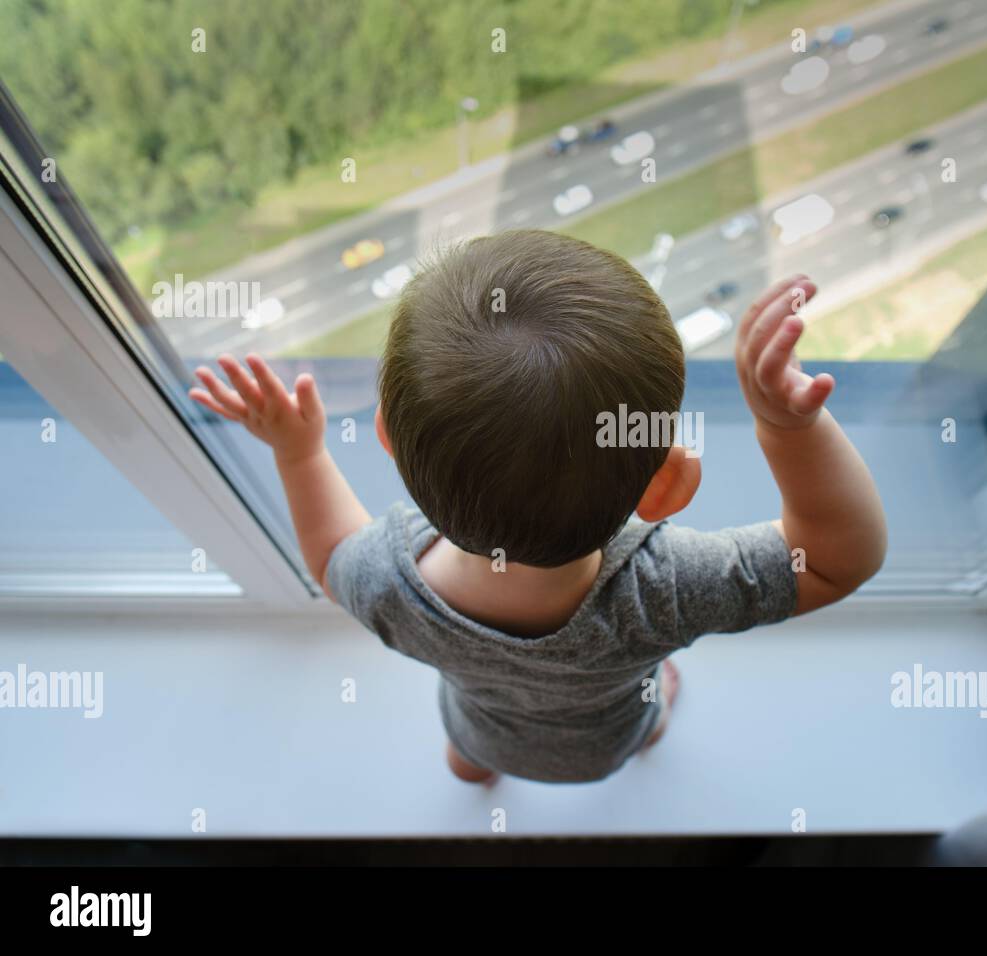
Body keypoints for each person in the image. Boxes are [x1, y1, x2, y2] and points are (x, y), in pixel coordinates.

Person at [189, 230, 887, 785]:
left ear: (388, 443)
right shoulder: (671, 591)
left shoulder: (386, 582)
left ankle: (471, 772)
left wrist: (300, 452)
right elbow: (836, 562)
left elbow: (327, 552)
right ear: (666, 488)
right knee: (657, 709)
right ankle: (653, 726)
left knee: (468, 751)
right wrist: (790, 429)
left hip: (479, 729)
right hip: (601, 751)